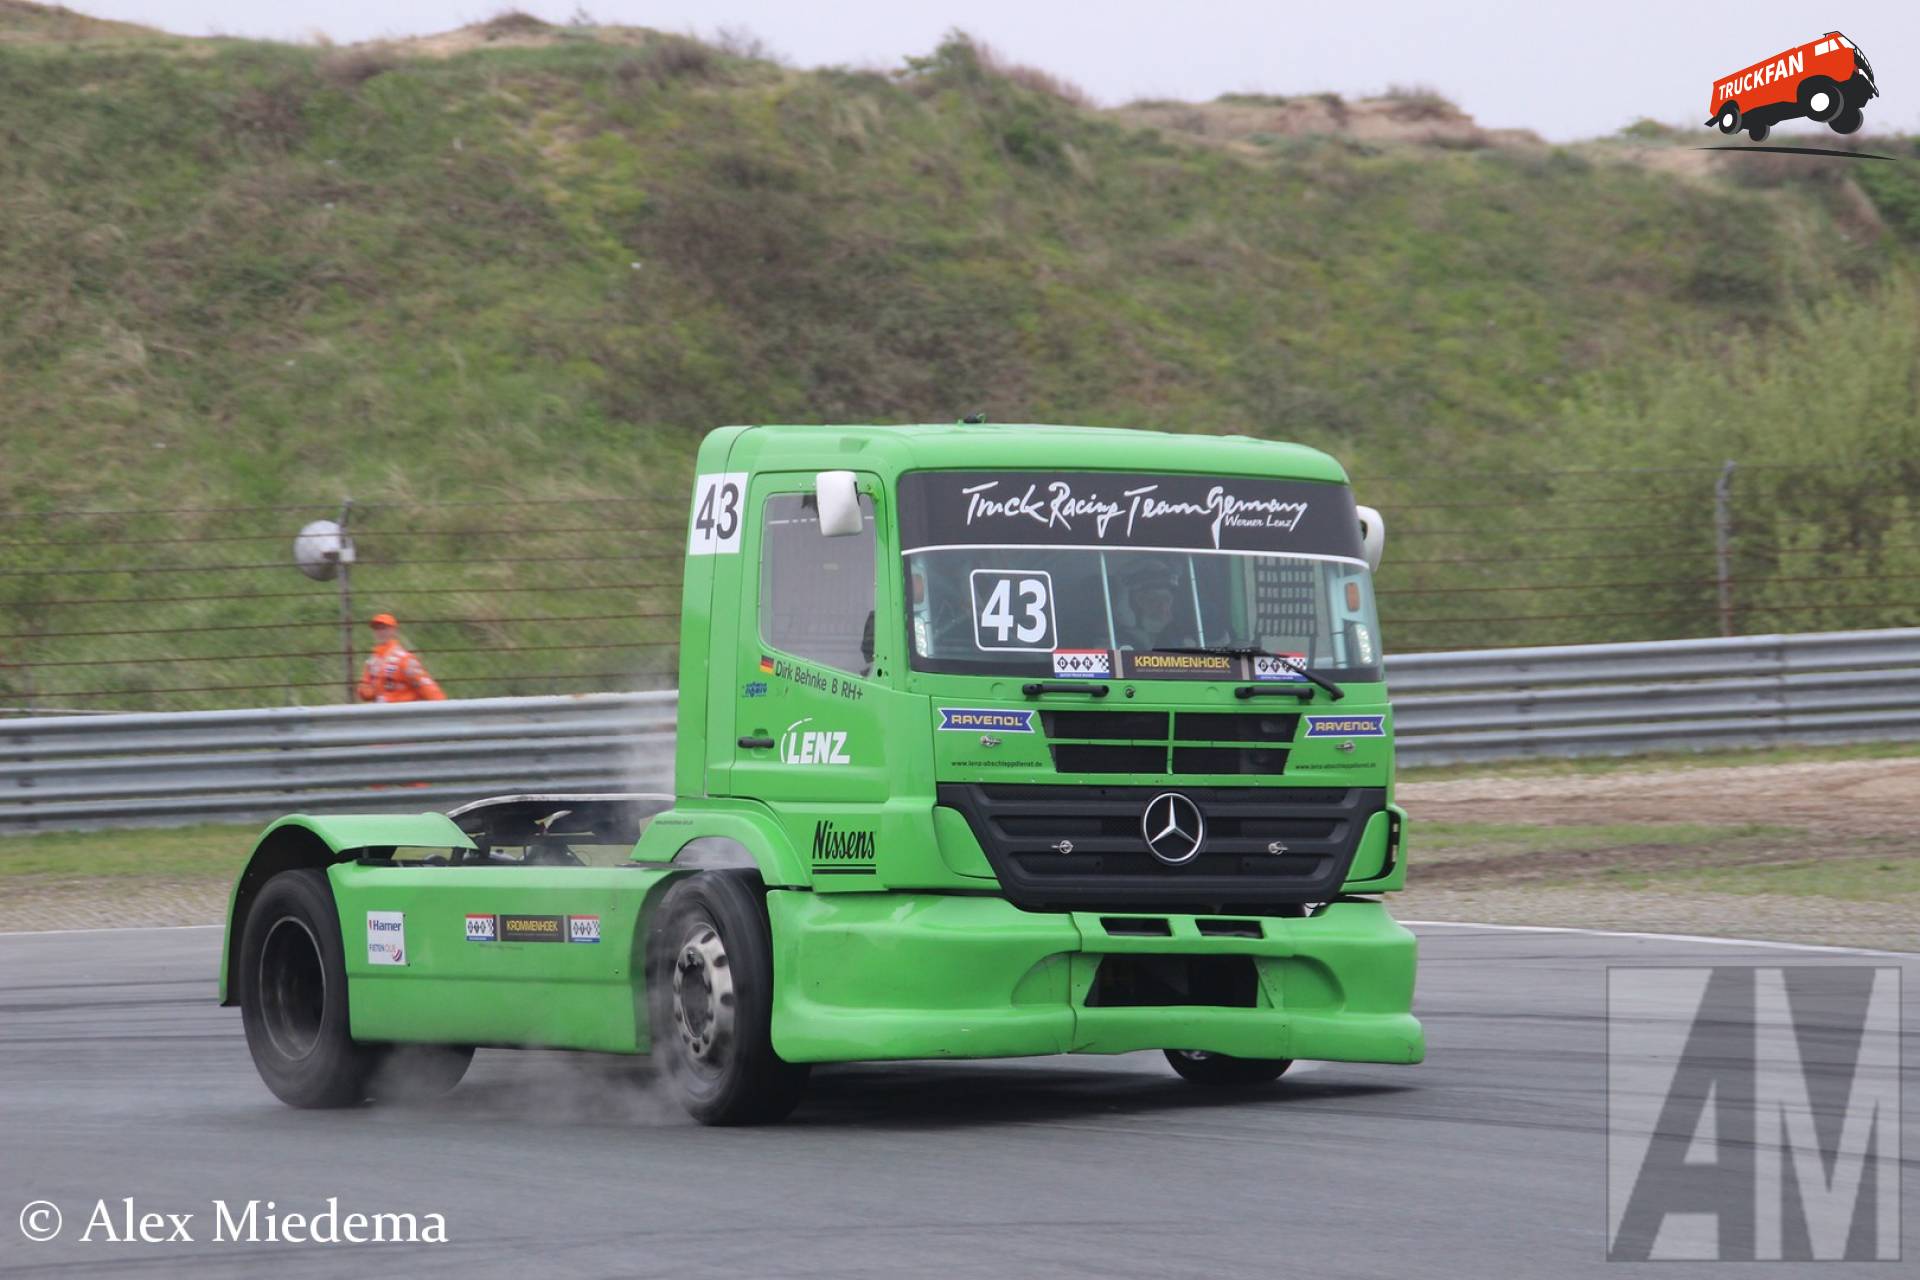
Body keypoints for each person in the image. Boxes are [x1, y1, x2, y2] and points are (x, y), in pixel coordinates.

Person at [356, 612, 447, 703]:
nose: (380, 632)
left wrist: (442, 707)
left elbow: (426, 686)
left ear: (393, 631)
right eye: (377, 629)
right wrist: (365, 690)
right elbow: (366, 688)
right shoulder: (372, 661)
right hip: (382, 710)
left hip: (404, 710)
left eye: (384, 628)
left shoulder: (404, 659)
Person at [1120, 564, 1195, 652]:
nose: (1162, 606)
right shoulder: (1119, 641)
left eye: (1166, 599)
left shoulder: (1183, 639)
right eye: (1153, 600)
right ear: (1137, 602)